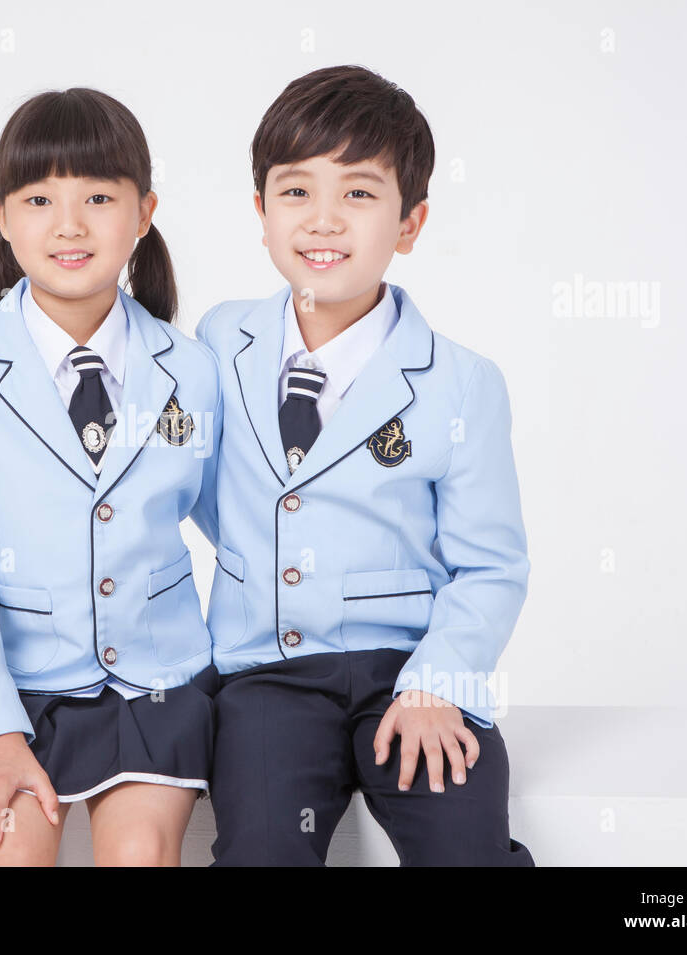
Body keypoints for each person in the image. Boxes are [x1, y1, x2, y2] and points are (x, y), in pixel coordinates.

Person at [195, 65, 535, 865]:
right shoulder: (217, 342)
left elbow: (491, 565)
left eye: (358, 193)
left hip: (410, 670)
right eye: (296, 191)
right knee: (263, 849)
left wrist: (437, 682)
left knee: (464, 848)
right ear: (261, 212)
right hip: (265, 676)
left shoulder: (461, 381)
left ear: (409, 223)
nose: (323, 220)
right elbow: (185, 491)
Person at [0, 87, 222, 867]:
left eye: (99, 196)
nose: (69, 224)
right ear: (2, 216)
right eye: (39, 198)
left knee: (140, 852)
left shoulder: (191, 370)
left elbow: (242, 534)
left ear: (144, 213)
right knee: (9, 847)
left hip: (156, 686)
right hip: (17, 691)